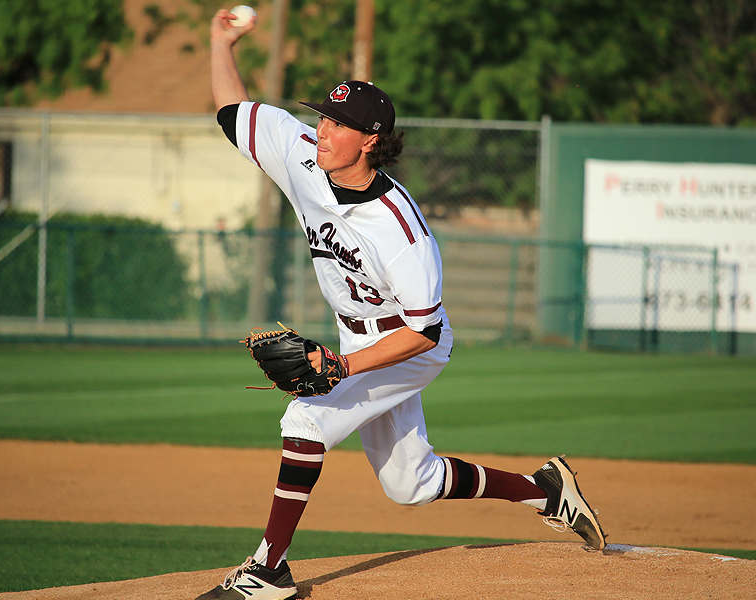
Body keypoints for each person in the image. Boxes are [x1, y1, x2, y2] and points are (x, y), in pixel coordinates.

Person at [200, 8, 607, 599]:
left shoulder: (401, 229)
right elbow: (233, 113)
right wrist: (221, 43)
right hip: (357, 334)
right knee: (409, 483)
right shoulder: (303, 157)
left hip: (410, 345)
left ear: (369, 141)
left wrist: (339, 368)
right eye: (321, 117)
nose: (321, 130)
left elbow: (422, 332)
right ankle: (546, 490)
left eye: (337, 124)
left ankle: (268, 571)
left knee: (305, 421)